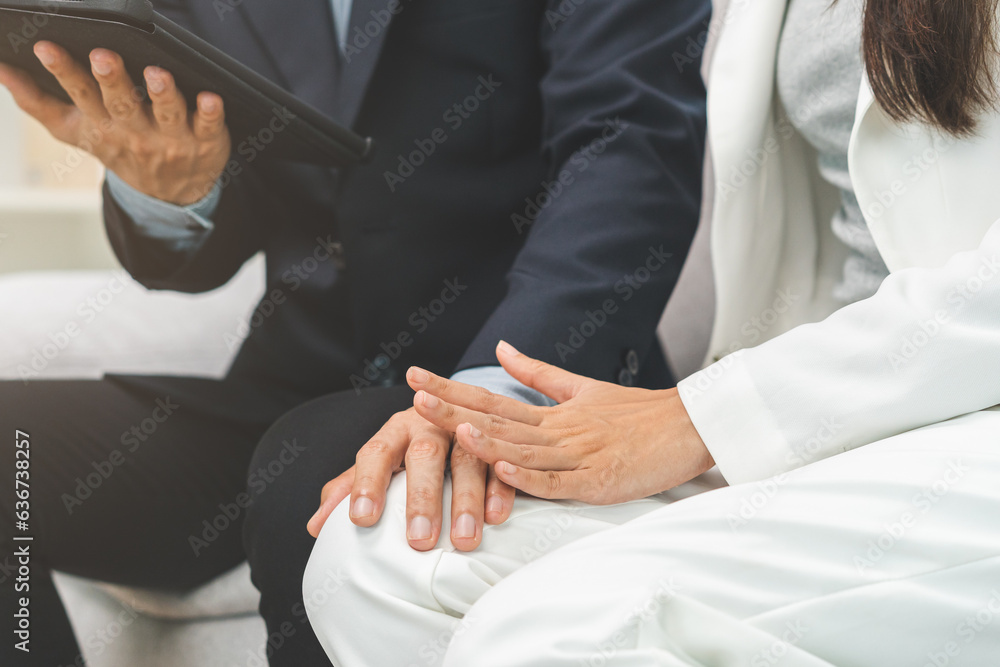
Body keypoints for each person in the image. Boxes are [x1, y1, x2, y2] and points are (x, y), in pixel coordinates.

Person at [0, 0, 711, 664]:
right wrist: (167, 185)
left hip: (514, 387)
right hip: (282, 395)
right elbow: (233, 185)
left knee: (330, 502)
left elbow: (627, 146)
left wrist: (493, 400)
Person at [301, 0, 1000, 664]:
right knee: (374, 562)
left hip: (970, 430)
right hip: (854, 421)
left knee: (549, 632)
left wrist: (701, 416)